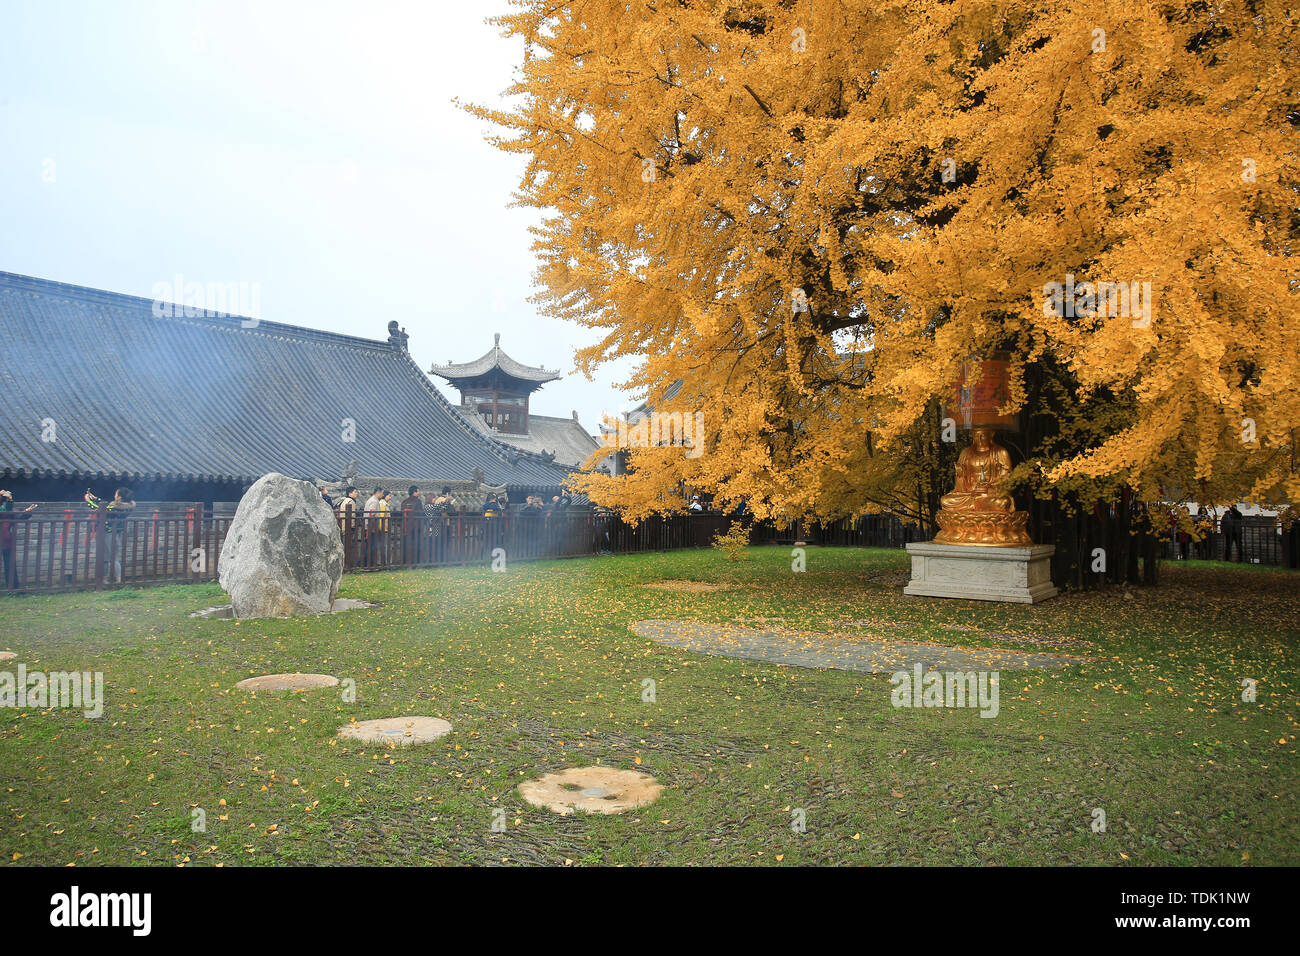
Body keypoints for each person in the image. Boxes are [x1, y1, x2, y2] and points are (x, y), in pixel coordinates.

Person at [86, 487, 135, 583]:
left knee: (109, 557)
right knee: (111, 557)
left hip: (108, 533)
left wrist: (88, 501)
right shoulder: (127, 507)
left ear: (119, 497)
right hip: (117, 533)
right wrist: (96, 498)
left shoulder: (114, 508)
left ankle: (110, 580)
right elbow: (106, 505)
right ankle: (114, 579)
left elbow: (100, 509)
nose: (114, 496)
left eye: (116, 494)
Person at [0, 490, 36, 589]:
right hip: (6, 539)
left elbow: (19, 515)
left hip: (6, 539)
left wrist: (26, 512)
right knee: (9, 563)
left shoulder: (8, 509)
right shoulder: (6, 509)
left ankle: (12, 586)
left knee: (9, 563)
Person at [400, 485, 423, 563]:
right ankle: (415, 561)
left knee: (407, 544)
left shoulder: (404, 502)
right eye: (418, 491)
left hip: (406, 527)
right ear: (414, 492)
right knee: (416, 544)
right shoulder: (418, 501)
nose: (419, 493)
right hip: (416, 527)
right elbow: (421, 514)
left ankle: (406, 561)